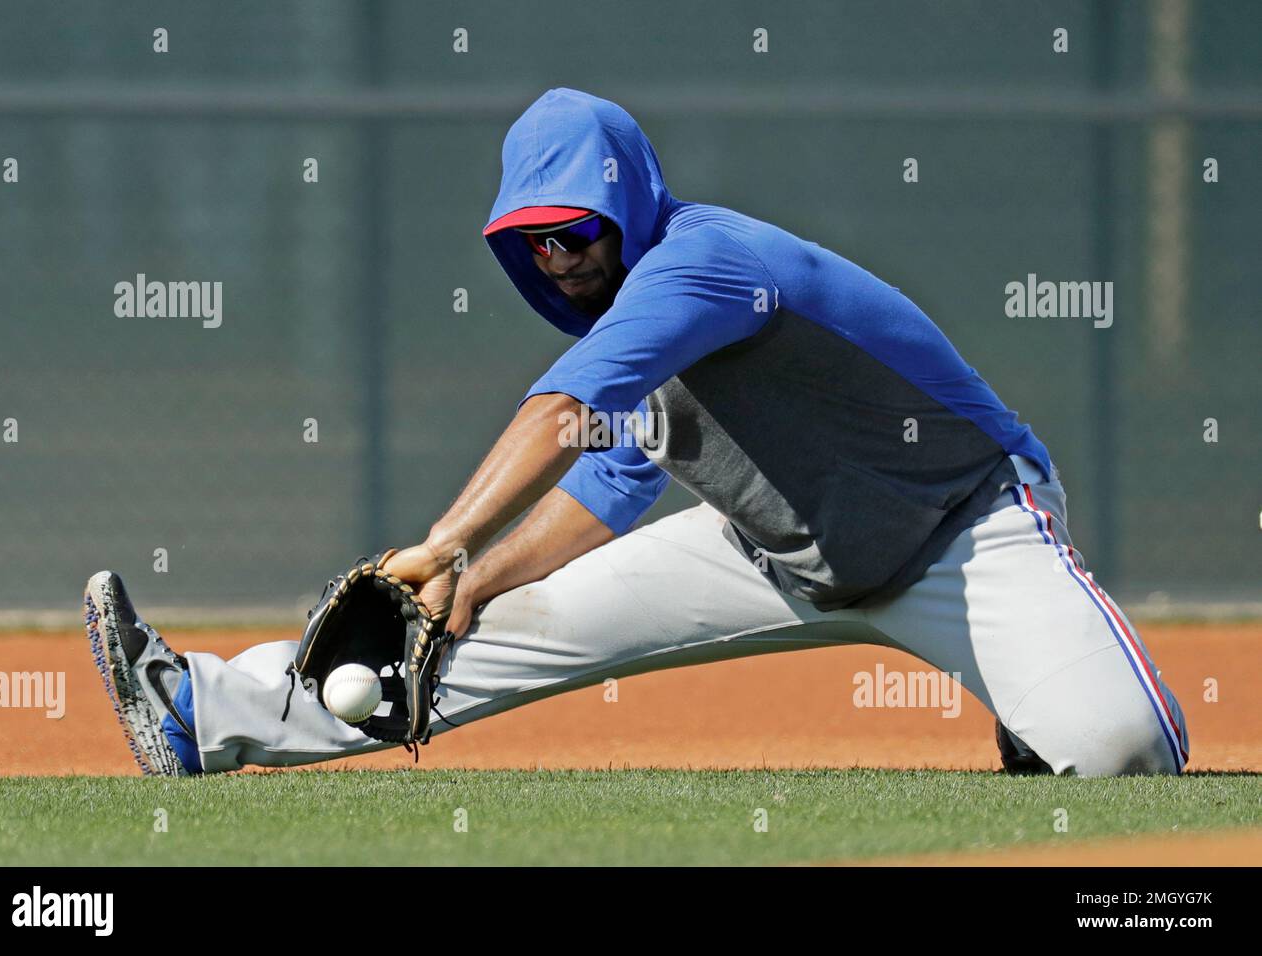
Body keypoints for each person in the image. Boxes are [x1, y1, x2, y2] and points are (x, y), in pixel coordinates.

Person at [85, 88, 1188, 778]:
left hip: (965, 527)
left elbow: (564, 410)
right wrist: (473, 570)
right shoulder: (631, 323)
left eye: (574, 227)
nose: (558, 255)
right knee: (457, 631)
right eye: (533, 240)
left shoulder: (702, 262)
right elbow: (605, 484)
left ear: (626, 204)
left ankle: (1045, 702)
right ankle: (198, 707)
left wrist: (437, 533)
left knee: (1124, 749)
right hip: (778, 555)